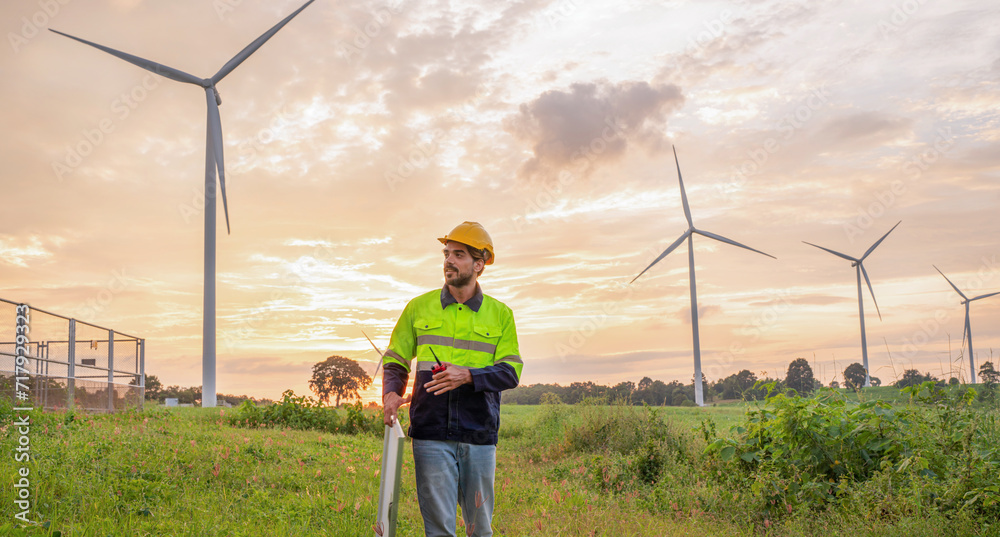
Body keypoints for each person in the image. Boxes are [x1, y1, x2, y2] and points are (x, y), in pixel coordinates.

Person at [381, 221, 522, 537]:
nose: (449, 260)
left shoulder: (501, 314)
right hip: (430, 434)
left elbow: (510, 372)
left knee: (479, 529)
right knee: (439, 532)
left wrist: (468, 375)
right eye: (447, 253)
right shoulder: (418, 307)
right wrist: (391, 392)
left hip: (479, 432)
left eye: (459, 254)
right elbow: (395, 358)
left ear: (479, 264)